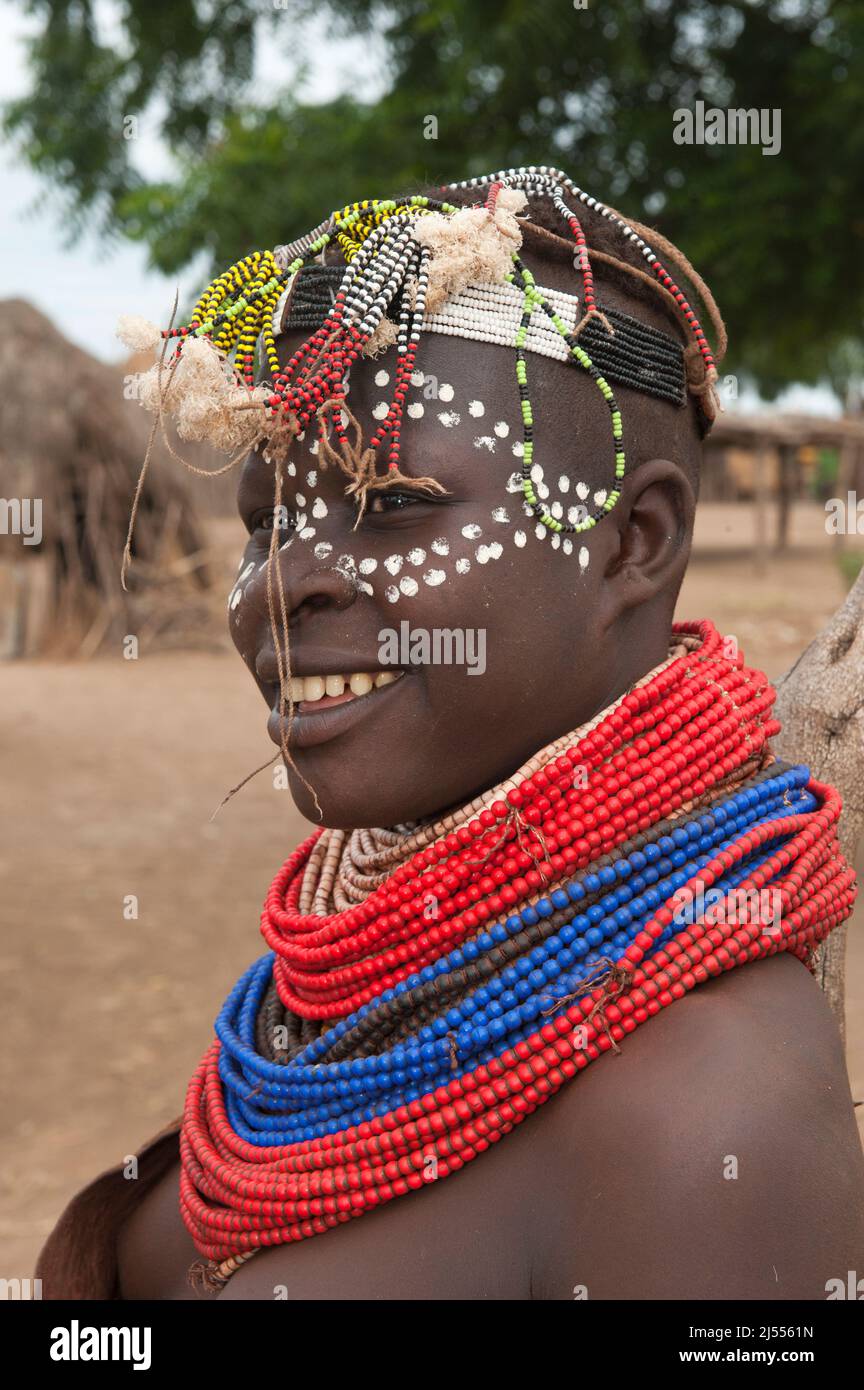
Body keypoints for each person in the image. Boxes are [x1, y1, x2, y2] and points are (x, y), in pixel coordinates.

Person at [38, 167, 864, 1300]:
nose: (276, 589)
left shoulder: (705, 1114)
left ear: (634, 543)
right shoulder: (345, 995)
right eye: (266, 522)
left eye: (392, 503)